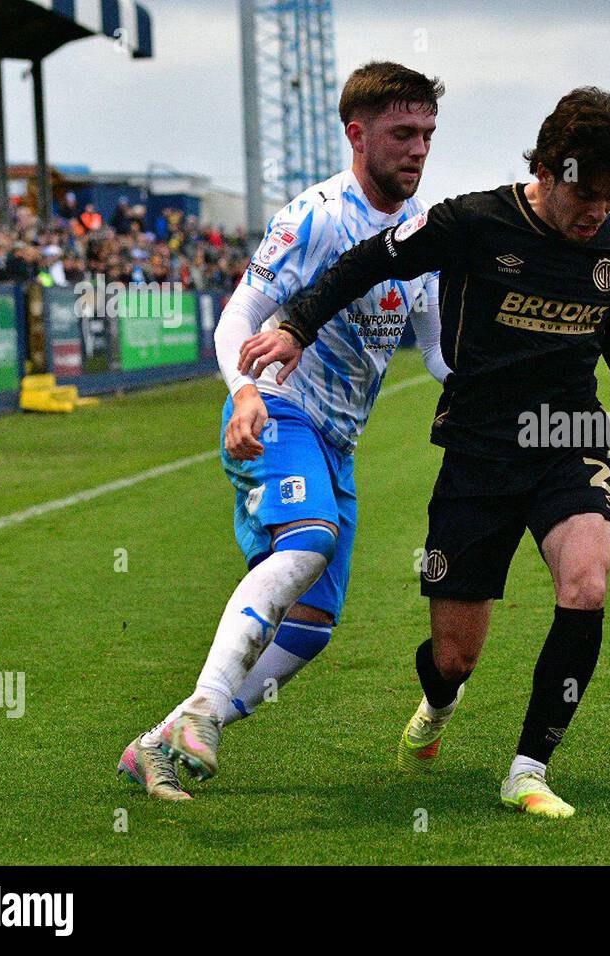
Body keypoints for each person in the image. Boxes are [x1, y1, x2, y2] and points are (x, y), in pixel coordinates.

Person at [238, 86, 610, 818]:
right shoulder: (473, 222)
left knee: (586, 584)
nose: (597, 214)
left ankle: (528, 770)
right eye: (588, 196)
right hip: (480, 452)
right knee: (455, 658)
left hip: (568, 439)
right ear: (547, 171)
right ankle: (438, 704)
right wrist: (294, 324)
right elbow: (363, 265)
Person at [117, 61, 450, 801]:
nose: (418, 149)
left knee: (309, 629)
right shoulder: (316, 216)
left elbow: (431, 351)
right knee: (310, 540)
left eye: (427, 133)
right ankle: (204, 706)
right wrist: (242, 394)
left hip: (338, 440)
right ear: (356, 134)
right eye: (402, 133)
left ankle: (155, 744)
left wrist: (493, 387)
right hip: (278, 408)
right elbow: (235, 318)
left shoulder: (425, 233)